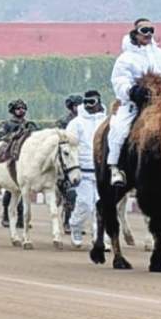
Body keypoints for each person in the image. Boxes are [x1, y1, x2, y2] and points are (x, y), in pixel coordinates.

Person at [107, 18, 161, 188]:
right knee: (119, 129)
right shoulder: (125, 59)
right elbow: (119, 80)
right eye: (144, 30)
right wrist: (132, 91)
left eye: (151, 30)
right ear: (136, 33)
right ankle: (115, 167)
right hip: (135, 104)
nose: (148, 34)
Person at [65, 90, 108, 248]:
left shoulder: (107, 120)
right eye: (86, 102)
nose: (89, 106)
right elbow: (68, 147)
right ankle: (75, 226)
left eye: (93, 102)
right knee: (85, 204)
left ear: (99, 102)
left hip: (102, 170)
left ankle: (100, 238)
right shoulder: (76, 123)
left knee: (101, 205)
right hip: (83, 171)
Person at [0, 99, 38, 228]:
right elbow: (1, 136)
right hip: (12, 156)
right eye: (18, 108)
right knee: (10, 190)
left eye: (23, 108)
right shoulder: (7, 124)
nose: (21, 110)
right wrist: (15, 135)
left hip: (27, 157)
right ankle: (5, 215)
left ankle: (22, 219)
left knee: (24, 191)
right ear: (13, 110)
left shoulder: (29, 124)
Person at [56, 94, 85, 226]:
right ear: (71, 107)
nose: (79, 108)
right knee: (71, 193)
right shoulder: (63, 122)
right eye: (76, 105)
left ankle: (78, 222)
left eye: (81, 105)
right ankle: (68, 221)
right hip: (67, 160)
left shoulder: (87, 121)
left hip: (83, 158)